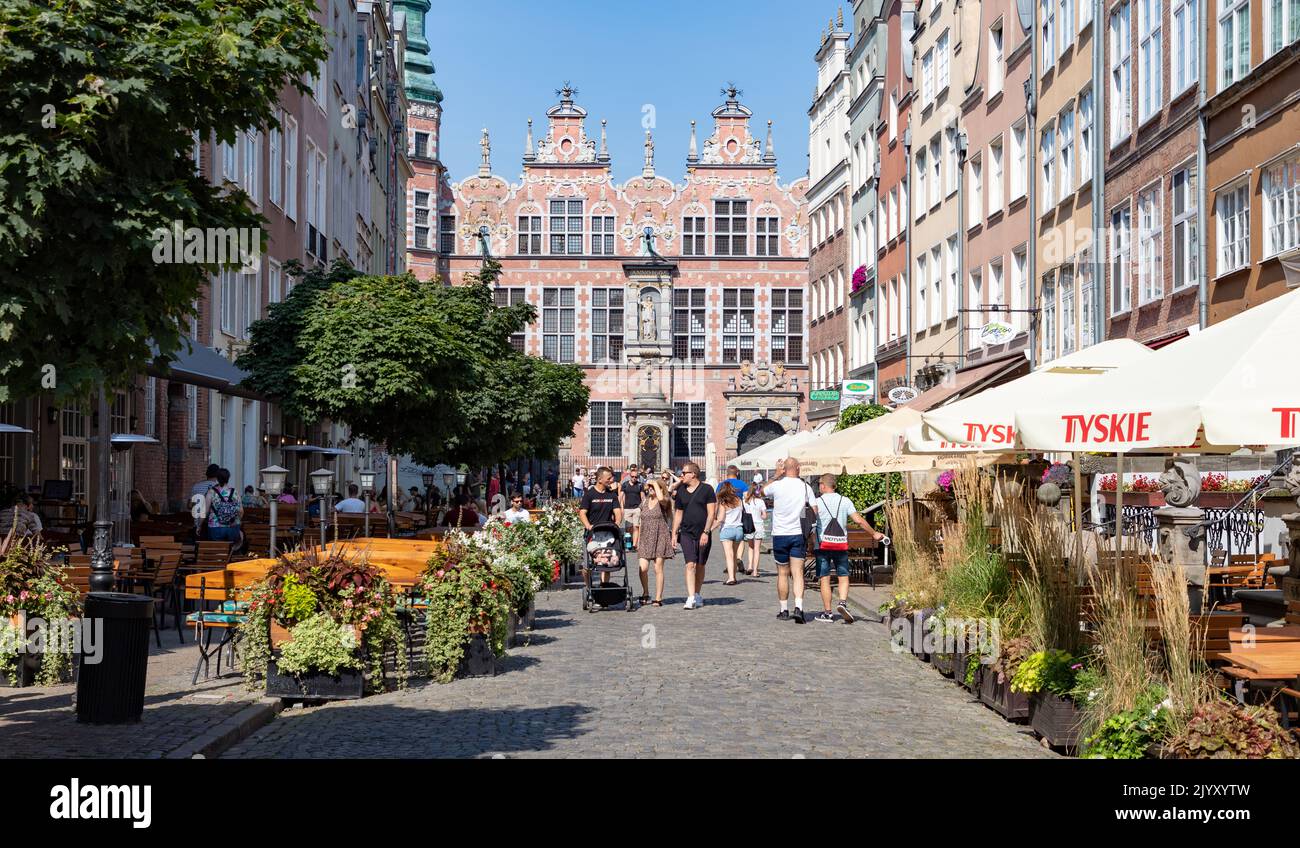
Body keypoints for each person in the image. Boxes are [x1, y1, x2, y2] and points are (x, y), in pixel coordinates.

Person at [812, 474, 886, 623]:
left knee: (824, 578)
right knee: (843, 575)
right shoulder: (845, 501)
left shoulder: (817, 502)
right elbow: (858, 520)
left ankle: (827, 613)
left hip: (822, 545)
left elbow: (810, 523)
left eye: (820, 484)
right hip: (840, 544)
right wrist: (874, 533)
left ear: (822, 486)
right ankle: (842, 602)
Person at [764, 458, 815, 624]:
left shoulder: (777, 485)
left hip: (780, 534)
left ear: (784, 469)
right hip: (798, 533)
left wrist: (775, 475)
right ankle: (799, 607)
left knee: (782, 573)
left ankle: (783, 609)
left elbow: (759, 492)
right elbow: (814, 510)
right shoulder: (805, 487)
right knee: (798, 573)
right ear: (798, 468)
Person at [670, 462, 716, 610]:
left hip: (703, 532)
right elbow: (678, 513)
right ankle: (690, 597)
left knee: (700, 564)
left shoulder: (707, 490)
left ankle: (697, 593)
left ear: (693, 474)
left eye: (684, 473)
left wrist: (706, 532)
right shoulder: (681, 491)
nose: (681, 475)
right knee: (690, 564)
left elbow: (711, 514)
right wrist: (673, 533)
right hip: (686, 533)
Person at [579, 467, 622, 594]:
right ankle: (589, 588)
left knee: (607, 563)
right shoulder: (589, 495)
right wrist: (588, 526)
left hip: (608, 533)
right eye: (608, 478)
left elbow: (618, 512)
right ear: (599, 479)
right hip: (593, 533)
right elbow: (582, 513)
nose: (611, 480)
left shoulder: (612, 495)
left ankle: (604, 588)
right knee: (587, 567)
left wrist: (617, 524)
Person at [636, 478, 674, 607]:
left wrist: (656, 484)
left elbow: (662, 498)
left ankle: (658, 598)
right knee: (643, 568)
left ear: (660, 489)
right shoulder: (645, 501)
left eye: (653, 487)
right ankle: (645, 592)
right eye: (649, 487)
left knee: (658, 568)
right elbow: (641, 522)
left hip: (660, 537)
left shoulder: (664, 502)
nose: (650, 489)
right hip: (645, 538)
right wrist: (637, 540)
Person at [713, 482, 745, 586]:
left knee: (729, 555)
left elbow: (721, 519)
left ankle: (731, 578)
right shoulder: (739, 501)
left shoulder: (724, 503)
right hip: (739, 530)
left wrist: (710, 529)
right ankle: (734, 576)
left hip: (727, 530)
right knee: (734, 554)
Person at [201, 468, 243, 548]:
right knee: (231, 551)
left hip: (215, 527)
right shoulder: (235, 492)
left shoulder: (211, 492)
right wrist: (236, 522)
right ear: (228, 478)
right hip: (232, 527)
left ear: (217, 478)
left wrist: (199, 525)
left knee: (217, 550)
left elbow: (205, 512)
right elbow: (241, 511)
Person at [741, 478, 767, 576]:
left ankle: (749, 566)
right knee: (757, 549)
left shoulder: (745, 502)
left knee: (750, 547)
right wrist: (760, 515)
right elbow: (764, 516)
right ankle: (755, 571)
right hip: (759, 526)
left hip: (749, 526)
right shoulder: (760, 502)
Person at [190, 463, 220, 536]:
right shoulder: (219, 488)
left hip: (197, 523)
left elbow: (190, 505)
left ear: (206, 474)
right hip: (213, 525)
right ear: (218, 475)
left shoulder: (196, 486)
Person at [619, 464, 643, 550]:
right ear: (630, 476)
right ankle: (629, 542)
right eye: (632, 477)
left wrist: (641, 507)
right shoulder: (625, 485)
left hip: (637, 508)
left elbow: (642, 497)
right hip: (627, 508)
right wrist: (620, 507)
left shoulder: (640, 485)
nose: (634, 478)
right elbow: (620, 496)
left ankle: (634, 545)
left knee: (636, 526)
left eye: (636, 477)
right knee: (628, 527)